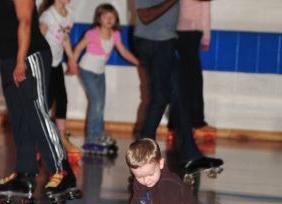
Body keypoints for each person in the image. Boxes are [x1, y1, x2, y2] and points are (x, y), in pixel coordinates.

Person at [0, 0, 80, 202]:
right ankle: (24, 175)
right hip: (7, 58)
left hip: (28, 55)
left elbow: (25, 21)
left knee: (37, 113)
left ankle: (63, 172)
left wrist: (21, 60)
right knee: (19, 117)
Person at [134, 0, 223, 174]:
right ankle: (142, 153)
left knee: (181, 96)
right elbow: (145, 16)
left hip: (166, 42)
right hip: (152, 43)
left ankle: (191, 156)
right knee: (160, 97)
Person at [72, 3, 139, 153]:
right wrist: (72, 64)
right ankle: (91, 139)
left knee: (100, 104)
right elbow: (78, 48)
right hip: (87, 70)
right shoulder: (92, 33)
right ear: (99, 18)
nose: (109, 19)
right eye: (106, 16)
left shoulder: (115, 35)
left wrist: (138, 62)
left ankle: (99, 135)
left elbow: (124, 52)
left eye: (112, 17)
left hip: (100, 72)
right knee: (96, 102)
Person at [39, 0, 81, 158]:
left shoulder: (69, 16)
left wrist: (71, 60)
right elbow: (39, 40)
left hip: (56, 63)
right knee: (47, 100)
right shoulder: (48, 15)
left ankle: (62, 137)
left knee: (62, 98)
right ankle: (39, 138)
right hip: (45, 63)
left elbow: (64, 39)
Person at [177, 0, 214, 133]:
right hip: (193, 31)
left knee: (181, 79)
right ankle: (197, 121)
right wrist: (206, 38)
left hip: (176, 32)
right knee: (194, 80)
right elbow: (205, 13)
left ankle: (177, 122)